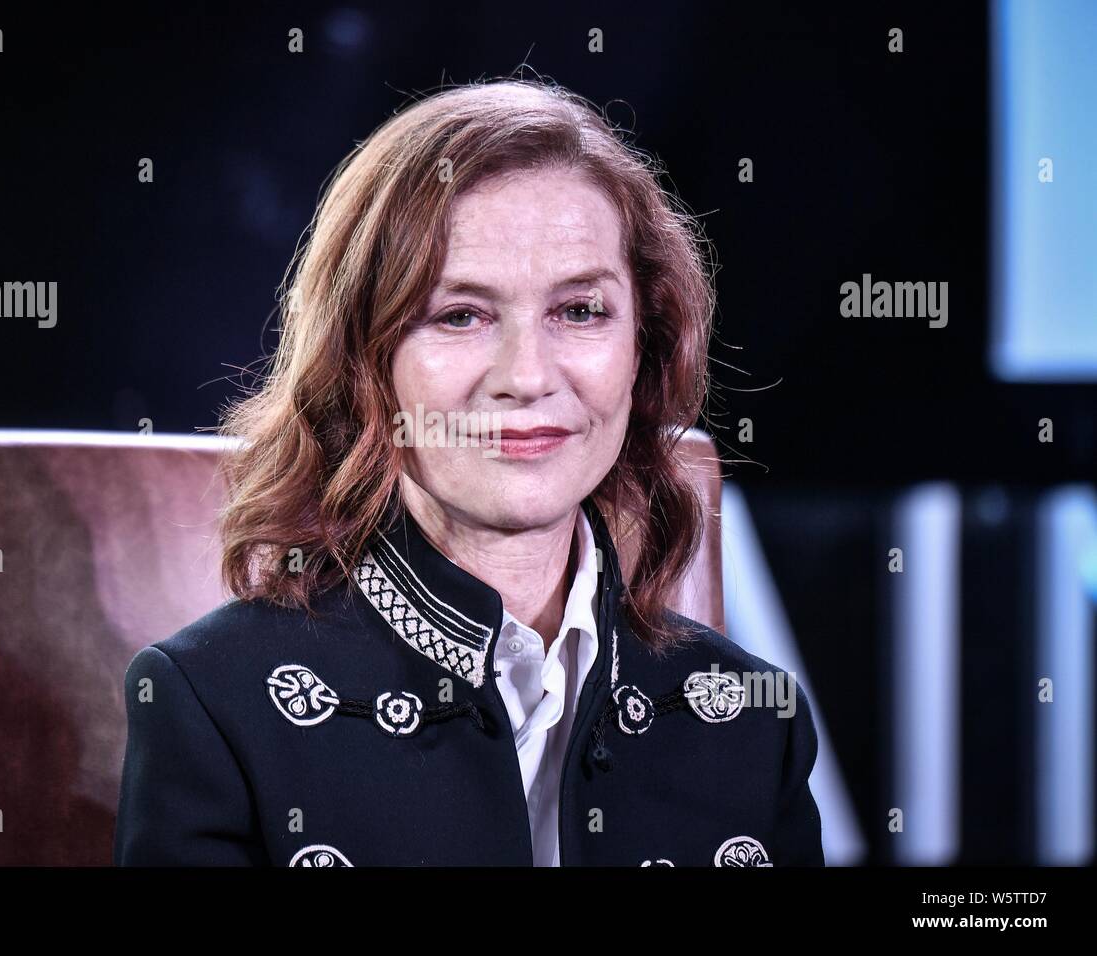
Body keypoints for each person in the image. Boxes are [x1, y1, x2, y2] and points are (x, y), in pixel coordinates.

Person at [114, 77, 824, 866]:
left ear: (644, 349)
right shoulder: (211, 706)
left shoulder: (759, 723)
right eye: (460, 315)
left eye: (579, 311)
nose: (526, 376)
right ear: (365, 365)